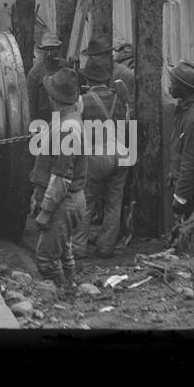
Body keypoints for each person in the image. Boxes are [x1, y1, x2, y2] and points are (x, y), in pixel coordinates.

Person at [28, 68, 87, 288]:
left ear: (55, 98)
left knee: (46, 259)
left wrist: (46, 211)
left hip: (65, 201)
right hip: (65, 200)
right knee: (63, 252)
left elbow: (62, 177)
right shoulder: (66, 119)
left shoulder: (68, 128)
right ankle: (72, 289)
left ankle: (63, 299)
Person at [75, 52, 130, 260]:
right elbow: (126, 124)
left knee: (86, 201)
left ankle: (78, 247)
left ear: (87, 78)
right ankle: (106, 247)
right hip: (121, 154)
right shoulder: (120, 97)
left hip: (97, 156)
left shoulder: (83, 100)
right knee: (114, 203)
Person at [166, 60, 194, 224]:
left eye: (173, 83)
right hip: (185, 184)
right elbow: (179, 146)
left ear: (185, 88)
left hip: (193, 192)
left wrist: (181, 197)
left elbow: (193, 162)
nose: (170, 86)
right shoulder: (185, 106)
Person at [26, 31, 67, 121]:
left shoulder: (65, 68)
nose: (49, 54)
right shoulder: (34, 74)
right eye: (46, 50)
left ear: (58, 49)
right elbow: (31, 105)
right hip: (44, 121)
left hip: (64, 118)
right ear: (42, 51)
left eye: (52, 49)